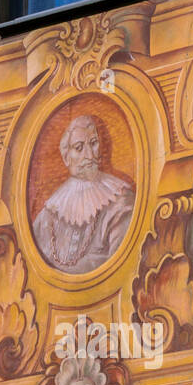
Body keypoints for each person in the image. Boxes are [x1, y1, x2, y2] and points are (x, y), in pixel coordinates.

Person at [32, 115, 134, 274]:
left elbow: (120, 264)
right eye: (79, 147)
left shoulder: (121, 200)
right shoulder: (48, 214)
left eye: (93, 144)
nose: (89, 155)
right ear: (66, 158)